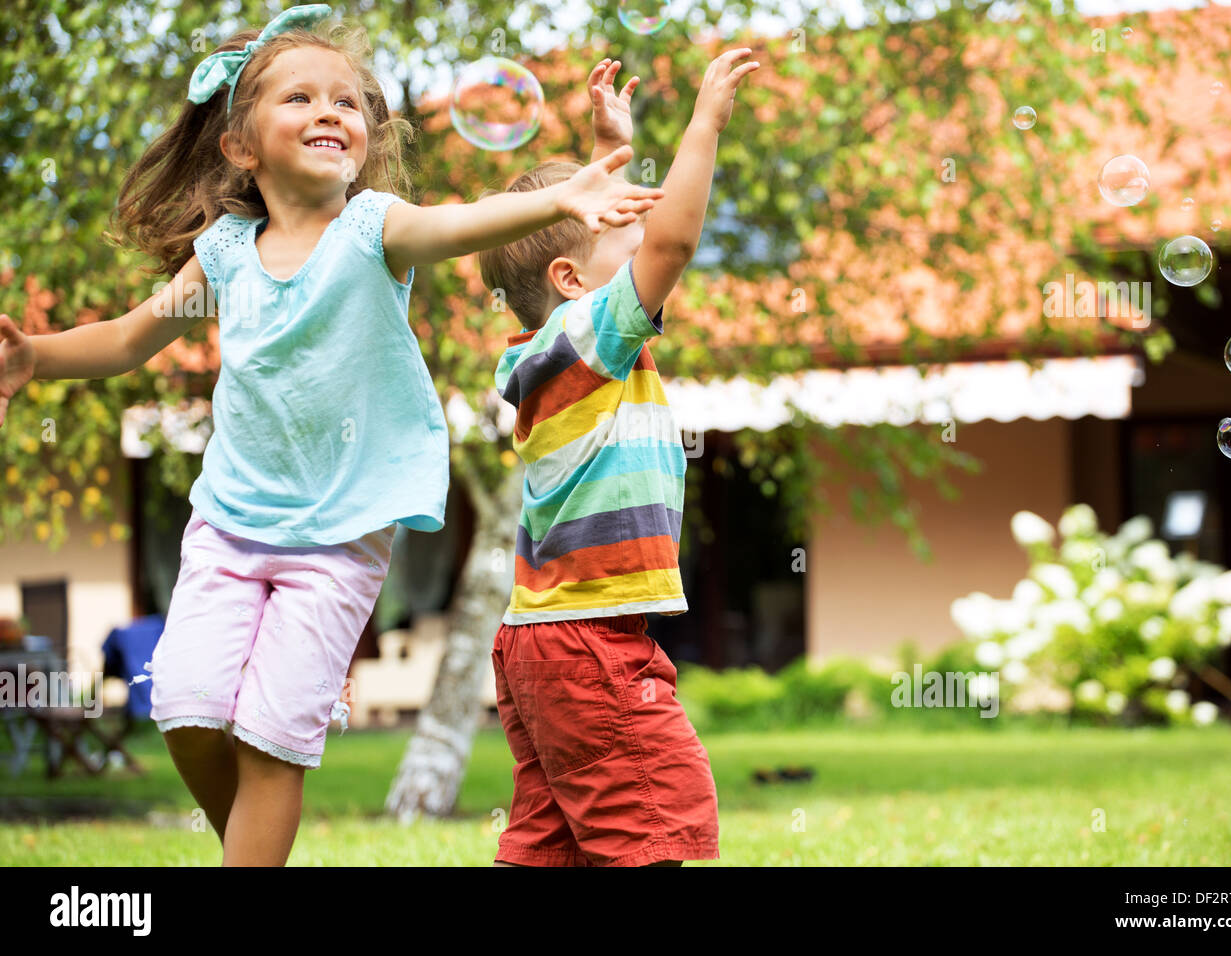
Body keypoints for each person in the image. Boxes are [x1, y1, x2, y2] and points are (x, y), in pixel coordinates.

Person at [0, 4, 662, 866]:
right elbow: (130, 337)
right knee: (187, 710)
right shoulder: (227, 251)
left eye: (347, 102)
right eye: (300, 98)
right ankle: (254, 842)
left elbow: (460, 224)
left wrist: (568, 196)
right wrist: (34, 362)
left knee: (273, 738)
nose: (330, 113)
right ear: (241, 145)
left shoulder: (374, 228)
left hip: (341, 535)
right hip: (229, 522)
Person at [481, 48, 760, 867]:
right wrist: (704, 123)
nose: (644, 241)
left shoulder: (552, 351)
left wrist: (612, 155)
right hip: (589, 641)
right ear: (571, 279)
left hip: (541, 639)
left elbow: (627, 234)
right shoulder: (587, 337)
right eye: (624, 232)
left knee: (553, 841)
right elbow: (672, 244)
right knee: (656, 809)